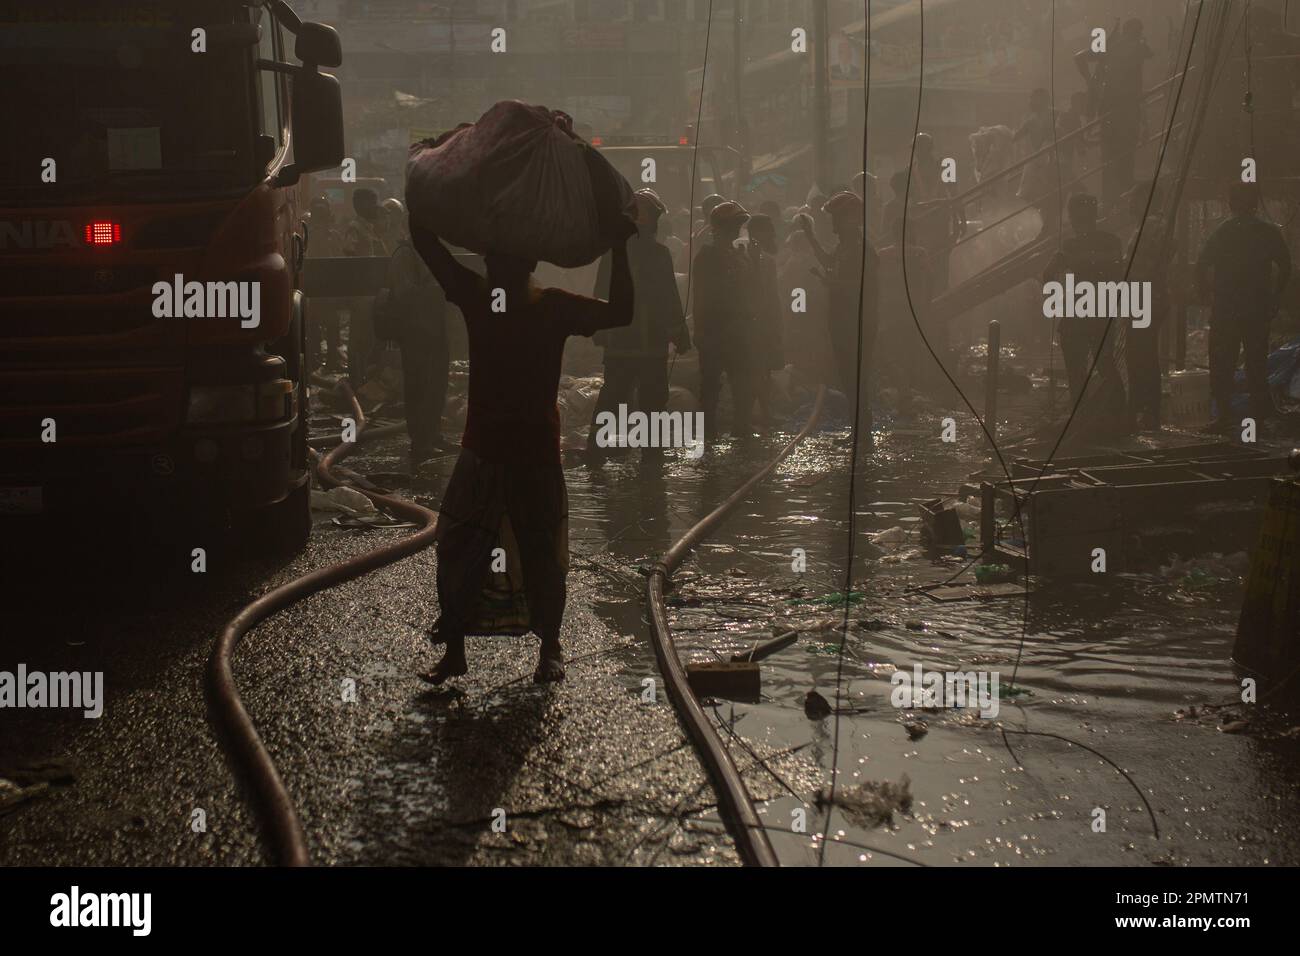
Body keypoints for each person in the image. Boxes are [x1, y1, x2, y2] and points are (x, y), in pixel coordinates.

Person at [409, 180, 637, 685]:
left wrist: (423, 184)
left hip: (516, 449)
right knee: (477, 546)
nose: (499, 270)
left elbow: (425, 241)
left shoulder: (499, 299)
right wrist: (621, 243)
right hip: (498, 448)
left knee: (509, 548)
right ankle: (466, 649)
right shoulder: (539, 304)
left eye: (502, 263)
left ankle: (545, 647)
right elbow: (622, 311)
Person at [586, 188, 692, 462]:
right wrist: (680, 334)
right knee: (651, 403)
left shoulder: (614, 253)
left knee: (613, 399)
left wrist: (600, 331)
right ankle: (650, 456)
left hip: (623, 344)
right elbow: (669, 298)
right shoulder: (659, 254)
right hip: (650, 345)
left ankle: (599, 455)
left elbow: (599, 294)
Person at [1196, 181, 1292, 429]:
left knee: (1222, 361)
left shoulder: (1222, 232)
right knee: (1256, 360)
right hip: (1257, 307)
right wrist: (1275, 295)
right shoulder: (1268, 232)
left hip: (1226, 308)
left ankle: (1225, 415)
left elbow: (1201, 265)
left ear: (1231, 203)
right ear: (1255, 204)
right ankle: (1260, 415)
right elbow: (1285, 265)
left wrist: (1207, 296)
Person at [373, 199, 452, 465]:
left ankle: (433, 434)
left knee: (438, 383)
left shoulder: (428, 253)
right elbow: (405, 293)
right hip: (417, 332)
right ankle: (421, 442)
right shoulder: (405, 255)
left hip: (433, 329)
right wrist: (435, 286)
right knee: (420, 385)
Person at [799, 190, 879, 436]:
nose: (833, 224)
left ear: (851, 218)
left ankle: (862, 434)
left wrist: (835, 285)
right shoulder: (845, 247)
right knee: (847, 378)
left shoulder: (860, 248)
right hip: (842, 322)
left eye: (837, 218)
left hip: (855, 323)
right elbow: (830, 263)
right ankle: (858, 431)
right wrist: (811, 237)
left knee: (855, 378)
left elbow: (864, 284)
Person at [1043, 193, 1127, 421]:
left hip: (1079, 311)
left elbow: (1047, 276)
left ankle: (1081, 413)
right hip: (1103, 310)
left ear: (1072, 217)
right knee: (1105, 362)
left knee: (1075, 365)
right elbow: (1119, 275)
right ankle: (1121, 412)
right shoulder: (1112, 241)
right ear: (1095, 214)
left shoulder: (1070, 246)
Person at [693, 201, 757, 439]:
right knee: (710, 385)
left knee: (741, 382)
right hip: (715, 331)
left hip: (738, 331)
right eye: (733, 225)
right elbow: (701, 296)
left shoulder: (738, 256)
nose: (736, 230)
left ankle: (742, 428)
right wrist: (700, 331)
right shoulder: (707, 256)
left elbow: (749, 291)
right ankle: (708, 432)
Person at [1122, 180, 1171, 430]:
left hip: (1146, 296)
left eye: (1134, 199)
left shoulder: (1152, 226)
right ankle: (1142, 409)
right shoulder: (1149, 225)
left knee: (1141, 355)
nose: (1130, 204)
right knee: (1141, 353)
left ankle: (1144, 410)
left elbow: (1141, 264)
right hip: (1146, 294)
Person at [343, 188, 390, 388]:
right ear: (361, 205)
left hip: (372, 291)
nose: (376, 207)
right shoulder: (355, 228)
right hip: (362, 292)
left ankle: (365, 378)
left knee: (371, 337)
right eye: (372, 203)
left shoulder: (370, 228)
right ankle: (355, 379)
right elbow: (348, 255)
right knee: (359, 337)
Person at [745, 214, 784, 426]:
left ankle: (762, 412)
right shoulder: (751, 258)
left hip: (764, 321)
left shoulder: (763, 258)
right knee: (757, 369)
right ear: (758, 232)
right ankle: (758, 413)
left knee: (763, 369)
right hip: (757, 322)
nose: (773, 234)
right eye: (769, 229)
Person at [305, 195, 344, 371]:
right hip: (314, 285)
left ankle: (330, 359)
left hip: (328, 286)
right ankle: (316, 358)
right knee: (315, 324)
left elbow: (339, 259)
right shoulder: (306, 234)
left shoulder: (333, 235)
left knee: (331, 324)